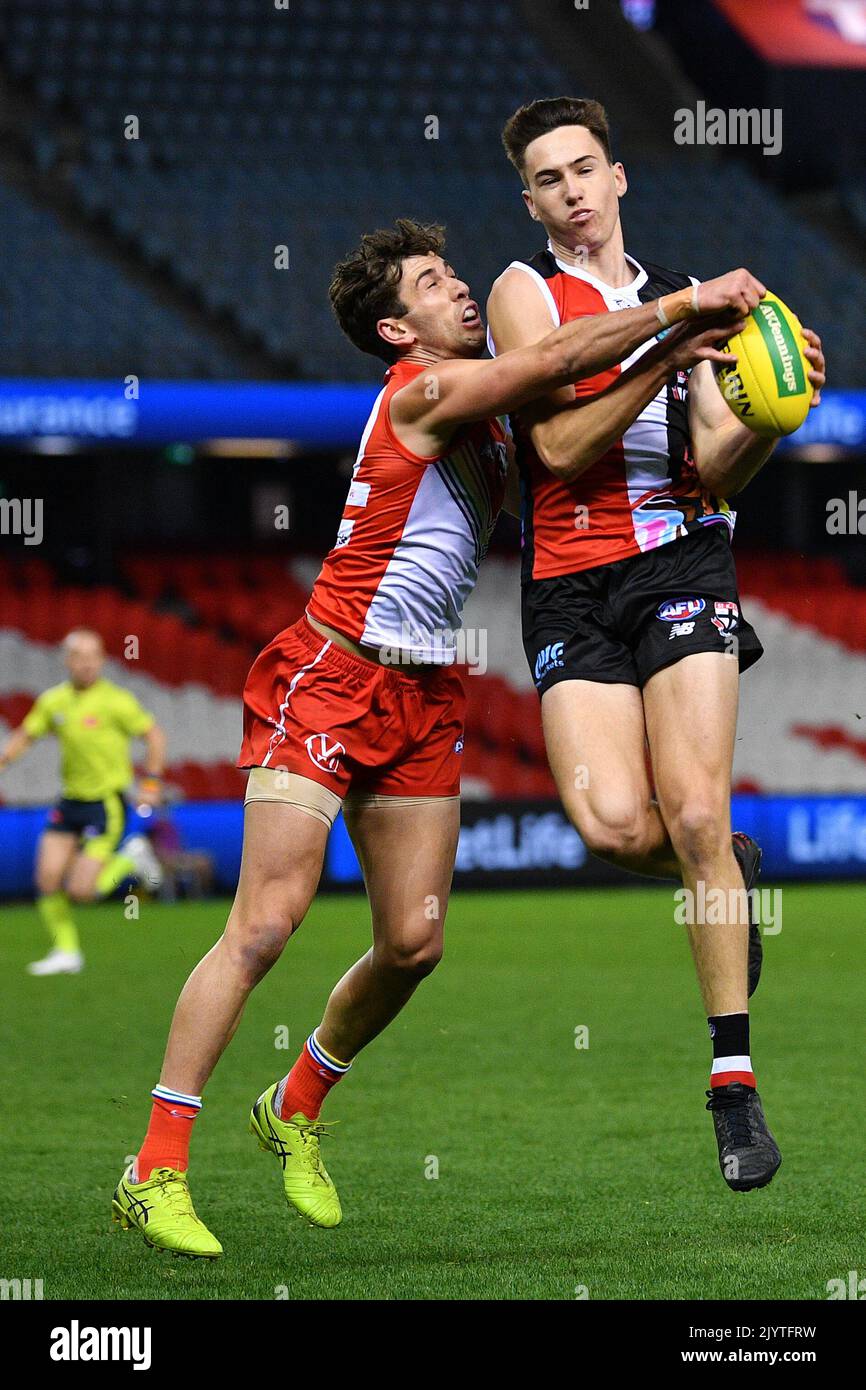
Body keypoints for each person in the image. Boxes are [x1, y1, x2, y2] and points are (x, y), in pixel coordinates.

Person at [111, 216, 763, 1258]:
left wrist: (715, 388)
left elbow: (574, 428)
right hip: (331, 671)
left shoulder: (501, 414)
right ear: (391, 326)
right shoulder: (423, 391)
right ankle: (153, 1166)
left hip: (425, 697)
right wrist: (675, 312)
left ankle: (292, 1105)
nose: (460, 290)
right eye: (431, 282)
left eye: (455, 273)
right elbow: (552, 356)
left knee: (412, 945)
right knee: (265, 923)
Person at [486, 97, 826, 1192]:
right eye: (548, 179)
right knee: (606, 822)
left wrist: (773, 409)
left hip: (680, 560)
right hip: (569, 580)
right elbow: (556, 441)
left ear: (618, 176)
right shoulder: (522, 293)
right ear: (529, 200)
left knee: (689, 809)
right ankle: (722, 869)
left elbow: (717, 470)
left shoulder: (670, 303)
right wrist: (671, 342)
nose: (572, 191)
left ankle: (732, 1084)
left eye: (585, 168)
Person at [0, 628, 166, 975]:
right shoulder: (54, 701)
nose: (87, 664)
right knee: (46, 878)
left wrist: (150, 782)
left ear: (103, 660)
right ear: (67, 661)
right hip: (69, 801)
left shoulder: (116, 701)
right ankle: (66, 951)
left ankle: (130, 859)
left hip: (104, 804)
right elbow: (26, 735)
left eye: (94, 657)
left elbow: (154, 736)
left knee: (82, 891)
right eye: (80, 657)